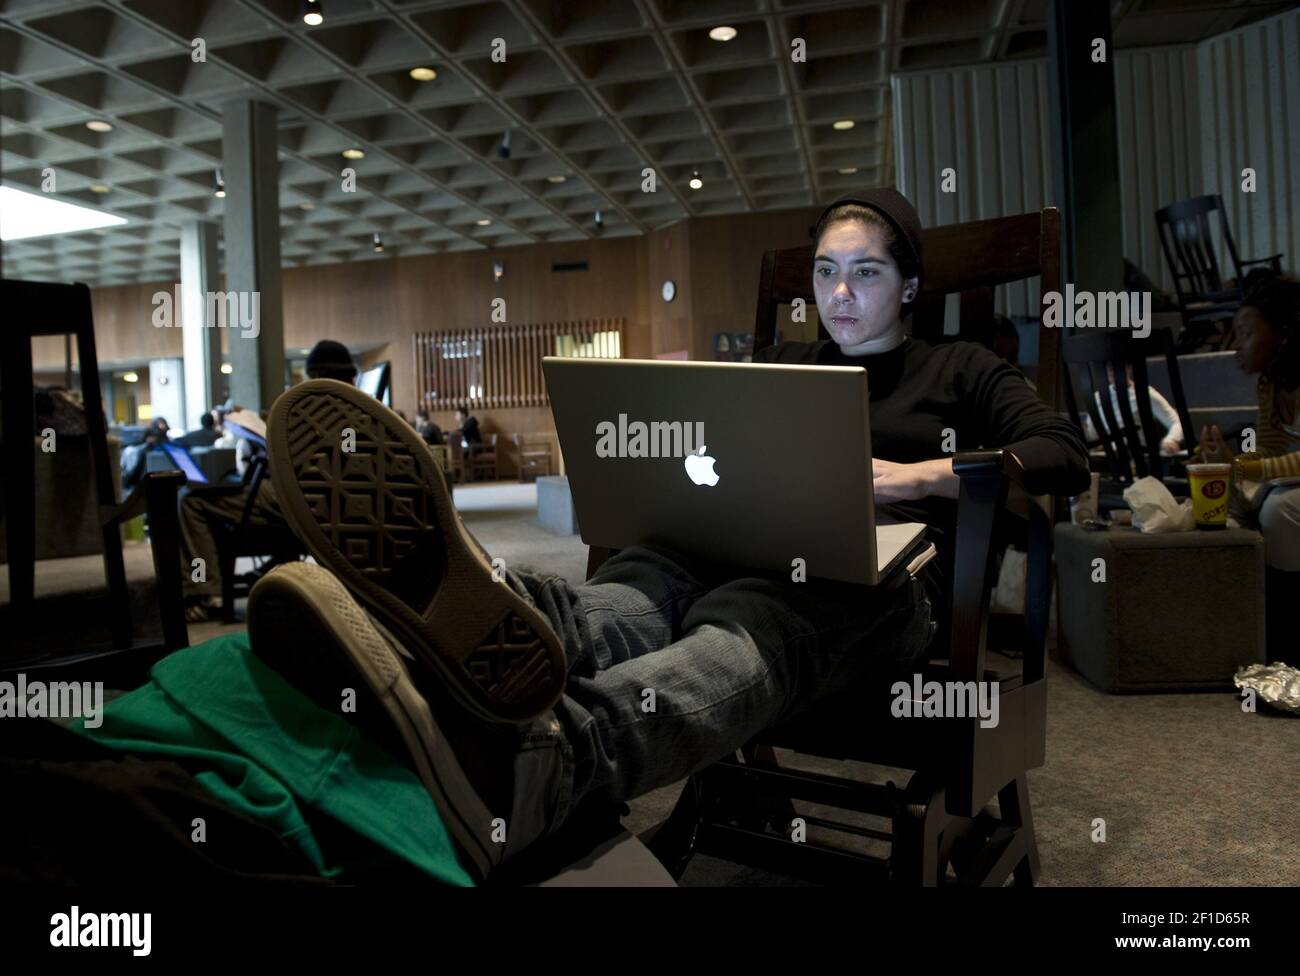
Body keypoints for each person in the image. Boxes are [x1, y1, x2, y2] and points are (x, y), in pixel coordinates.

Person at [247, 188, 1090, 881]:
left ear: (908, 288)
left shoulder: (962, 369)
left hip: (880, 584)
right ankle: (465, 615)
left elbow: (1062, 454)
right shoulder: (786, 370)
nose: (839, 294)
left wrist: (913, 478)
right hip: (740, 545)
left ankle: (555, 755)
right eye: (827, 272)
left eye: (865, 274)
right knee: (638, 587)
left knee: (749, 630)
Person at [179, 340, 357, 621]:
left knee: (193, 503)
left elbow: (305, 458)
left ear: (320, 373)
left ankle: (203, 590)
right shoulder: (350, 406)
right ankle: (211, 581)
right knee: (213, 497)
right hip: (313, 495)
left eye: (312, 375)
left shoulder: (324, 405)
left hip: (299, 496)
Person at [1199, 271, 1299, 658]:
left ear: (1284, 332)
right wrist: (1227, 461)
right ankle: (1237, 636)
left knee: (1279, 509)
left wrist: (1243, 469)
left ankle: (1289, 639)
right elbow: (1272, 456)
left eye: (1245, 333)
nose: (1235, 346)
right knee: (1227, 505)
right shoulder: (1270, 384)